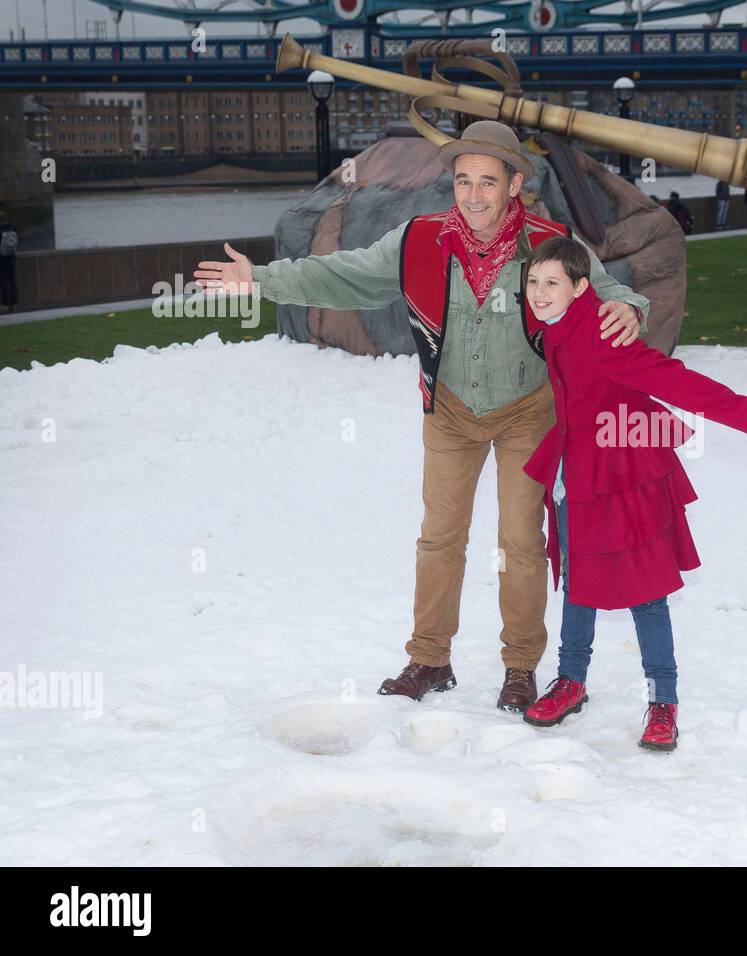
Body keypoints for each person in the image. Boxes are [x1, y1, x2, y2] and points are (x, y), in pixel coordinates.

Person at [192, 121, 649, 714]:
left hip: (528, 412)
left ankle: (519, 668)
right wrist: (260, 277)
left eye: (489, 181)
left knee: (520, 542)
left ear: (515, 184)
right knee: (439, 538)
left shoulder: (552, 242)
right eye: (463, 181)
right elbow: (341, 274)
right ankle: (430, 659)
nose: (474, 194)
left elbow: (612, 291)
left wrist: (628, 312)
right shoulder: (419, 240)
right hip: (451, 412)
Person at [516, 237, 747, 750]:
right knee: (578, 579)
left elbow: (674, 380)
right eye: (533, 282)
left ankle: (662, 701)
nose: (538, 293)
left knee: (645, 591)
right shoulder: (552, 324)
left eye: (551, 283)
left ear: (581, 287)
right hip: (577, 471)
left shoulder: (601, 333)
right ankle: (572, 682)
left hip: (626, 475)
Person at [0, 212, 18, 313]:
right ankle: (14, 304)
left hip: (1, 258)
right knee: (12, 281)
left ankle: (5, 305)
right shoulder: (13, 227)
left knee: (3, 282)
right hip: (11, 257)